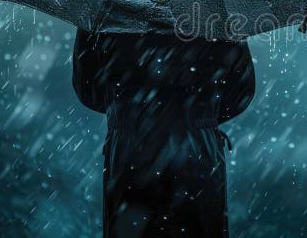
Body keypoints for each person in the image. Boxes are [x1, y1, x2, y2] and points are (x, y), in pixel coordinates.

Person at [72, 29, 255, 238]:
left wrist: (126, 110)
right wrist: (201, 115)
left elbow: (89, 90)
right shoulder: (215, 17)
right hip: (197, 153)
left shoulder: (106, 15)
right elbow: (240, 92)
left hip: (131, 152)